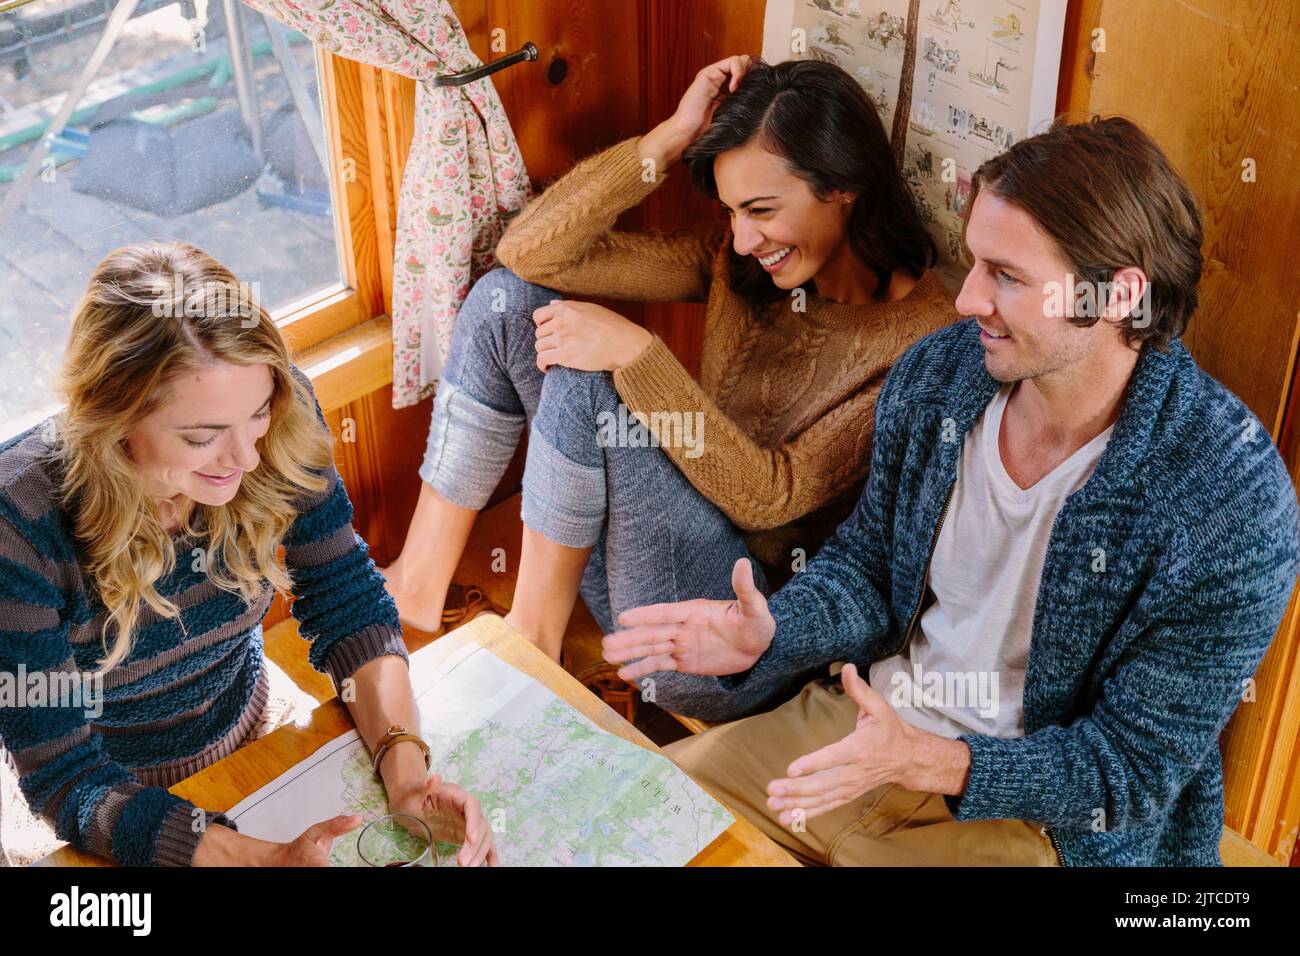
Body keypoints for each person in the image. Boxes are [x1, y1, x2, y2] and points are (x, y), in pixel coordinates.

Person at [604, 116, 1300, 866]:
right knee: (616, 834)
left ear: (1118, 294)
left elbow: (1129, 771)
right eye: (973, 263)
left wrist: (932, 761)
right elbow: (870, 568)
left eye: (1006, 275)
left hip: (1030, 823)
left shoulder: (1234, 501)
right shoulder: (942, 373)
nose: (967, 299)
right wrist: (776, 629)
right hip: (857, 731)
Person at [379, 55, 957, 671]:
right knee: (503, 301)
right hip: (645, 559)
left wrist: (639, 355)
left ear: (844, 188)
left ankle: (532, 648)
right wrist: (670, 137)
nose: (742, 239)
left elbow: (769, 500)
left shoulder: (923, 340)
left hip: (734, 625)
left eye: (761, 210)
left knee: (584, 380)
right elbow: (528, 253)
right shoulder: (740, 263)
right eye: (732, 212)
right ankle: (417, 584)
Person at [0, 241, 496, 866]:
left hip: (254, 723)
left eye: (256, 414)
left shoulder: (283, 416)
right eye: (202, 437)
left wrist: (407, 774)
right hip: (98, 803)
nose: (248, 459)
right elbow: (65, 777)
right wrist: (261, 861)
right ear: (112, 419)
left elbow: (346, 599)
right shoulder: (17, 522)